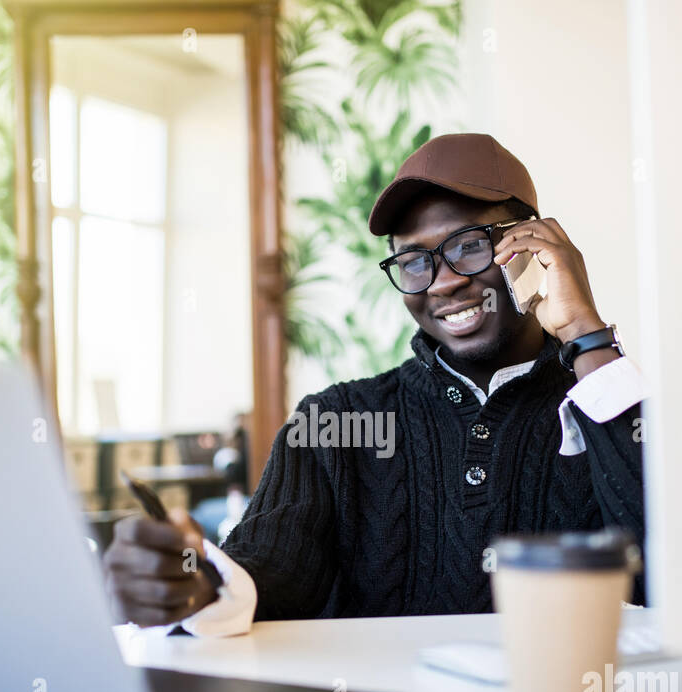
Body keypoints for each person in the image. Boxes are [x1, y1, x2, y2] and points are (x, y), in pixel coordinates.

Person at [104, 133, 647, 634]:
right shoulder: (335, 421)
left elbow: (673, 573)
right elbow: (266, 572)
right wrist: (195, 585)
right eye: (415, 261)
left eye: (469, 246)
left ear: (534, 243)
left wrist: (585, 335)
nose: (446, 282)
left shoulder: (609, 400)